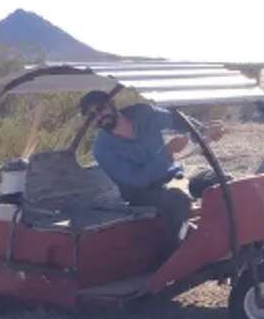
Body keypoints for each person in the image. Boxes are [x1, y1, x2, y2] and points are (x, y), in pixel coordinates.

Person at [78, 90, 224, 258]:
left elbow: (176, 120)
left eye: (100, 109)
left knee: (219, 180)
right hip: (140, 193)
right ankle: (173, 258)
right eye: (92, 115)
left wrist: (203, 131)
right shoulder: (102, 149)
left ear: (111, 103)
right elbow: (137, 179)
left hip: (173, 176)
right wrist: (167, 153)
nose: (99, 116)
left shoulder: (143, 113)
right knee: (178, 201)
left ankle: (228, 242)